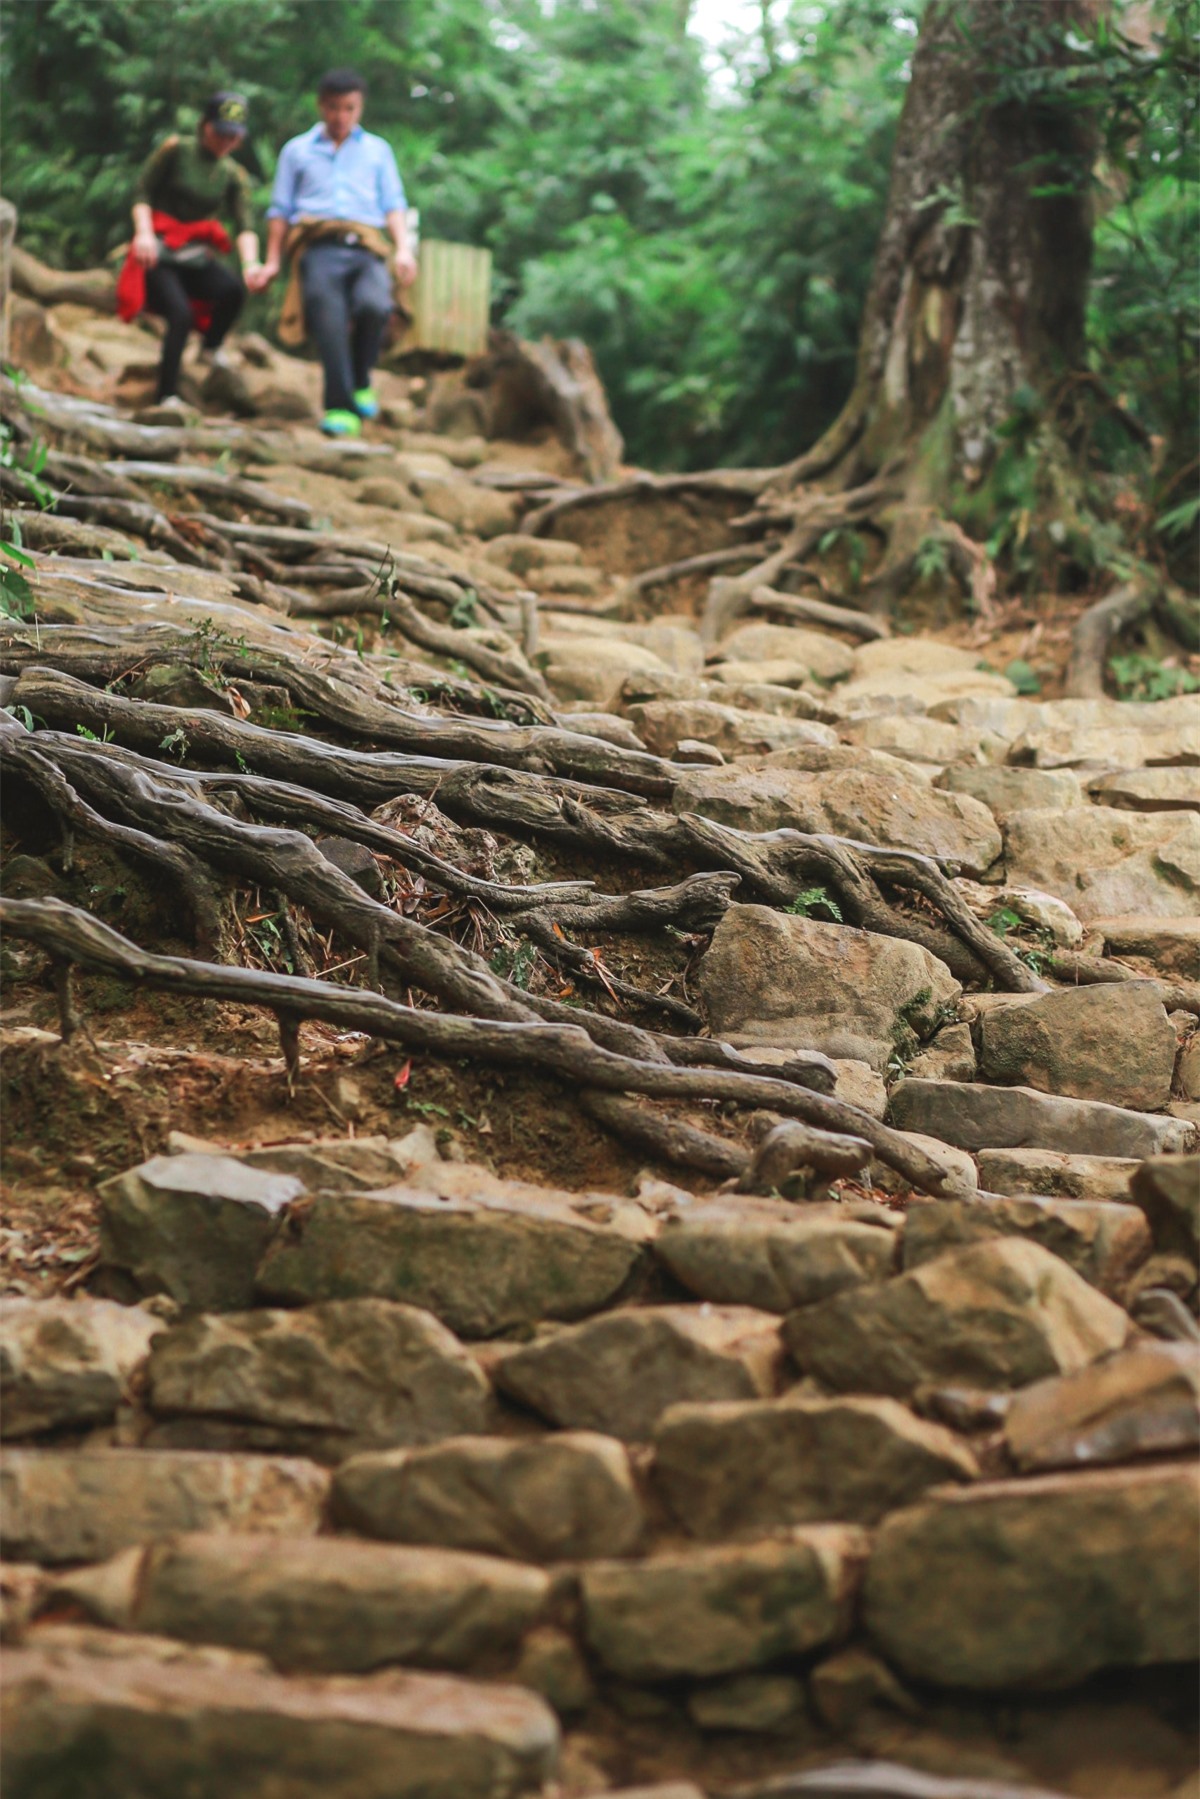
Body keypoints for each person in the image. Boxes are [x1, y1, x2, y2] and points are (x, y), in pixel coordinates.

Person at [255, 68, 417, 437]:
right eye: (333, 108)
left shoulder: (378, 151)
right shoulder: (296, 151)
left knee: (375, 306)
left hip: (366, 245)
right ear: (320, 106)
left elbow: (394, 204)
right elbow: (280, 212)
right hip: (317, 247)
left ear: (359, 107)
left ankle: (361, 380)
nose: (340, 116)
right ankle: (340, 408)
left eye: (349, 108)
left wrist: (404, 249)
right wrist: (273, 261)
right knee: (329, 324)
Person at [118, 92, 263, 408]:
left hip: (194, 255)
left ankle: (210, 348)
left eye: (234, 135)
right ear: (205, 126)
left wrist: (252, 264)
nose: (226, 140)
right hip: (157, 249)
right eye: (221, 132)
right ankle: (166, 395)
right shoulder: (175, 150)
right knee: (180, 316)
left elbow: (245, 224)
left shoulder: (232, 174)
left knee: (232, 291)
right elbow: (142, 192)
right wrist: (143, 233)